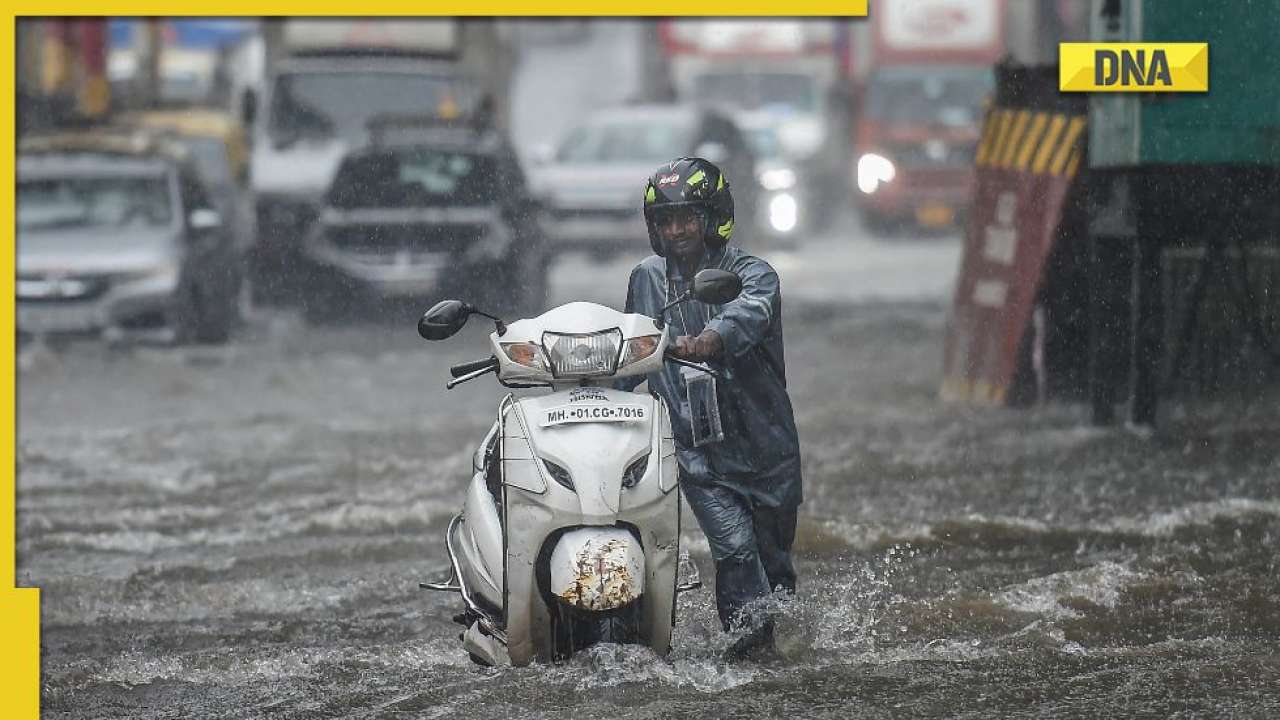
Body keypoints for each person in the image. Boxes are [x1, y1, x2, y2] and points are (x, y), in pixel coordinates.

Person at [616, 156, 802, 659]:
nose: (676, 231)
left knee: (774, 572)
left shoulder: (757, 276)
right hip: (699, 455)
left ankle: (770, 656)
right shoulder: (646, 279)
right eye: (665, 221)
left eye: (687, 218)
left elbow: (745, 317)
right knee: (736, 552)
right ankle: (743, 661)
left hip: (766, 453)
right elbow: (629, 355)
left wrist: (702, 342)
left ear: (713, 217)